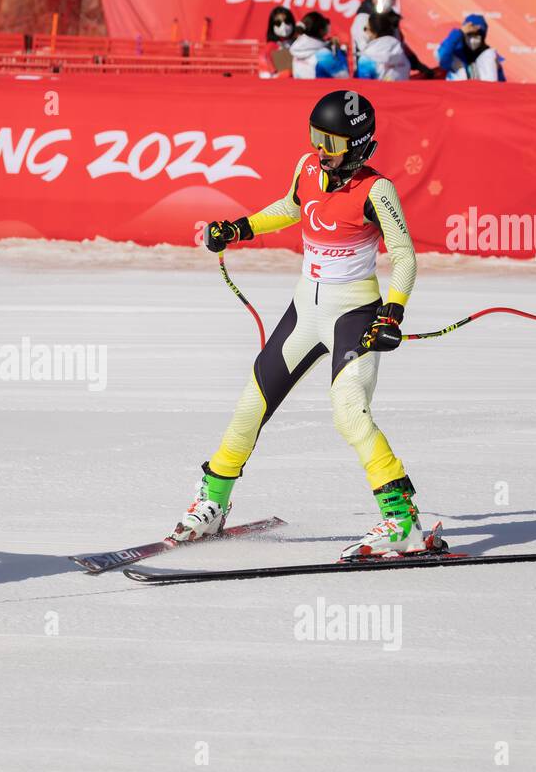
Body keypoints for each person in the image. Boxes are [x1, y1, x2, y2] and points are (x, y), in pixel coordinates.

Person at [182, 91, 428, 559]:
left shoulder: (377, 190)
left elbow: (404, 258)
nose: (320, 149)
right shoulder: (309, 169)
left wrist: (392, 312)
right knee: (249, 406)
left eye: (330, 141)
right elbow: (292, 206)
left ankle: (403, 521)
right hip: (304, 311)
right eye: (316, 137)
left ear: (357, 144)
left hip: (354, 315)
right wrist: (240, 228)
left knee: (349, 412)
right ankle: (212, 503)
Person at [351, 0, 433, 77]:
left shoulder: (391, 19)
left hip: (392, 74)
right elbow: (366, 50)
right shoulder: (363, 19)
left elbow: (399, 45)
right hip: (370, 73)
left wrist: (417, 65)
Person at [438, 14, 505, 81]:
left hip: (481, 90)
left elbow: (500, 85)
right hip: (457, 89)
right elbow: (443, 61)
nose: (473, 38)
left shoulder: (488, 55)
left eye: (478, 34)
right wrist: (459, 33)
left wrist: (498, 70)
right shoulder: (455, 53)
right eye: (469, 34)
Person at [290, 11, 349, 79]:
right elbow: (344, 76)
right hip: (320, 88)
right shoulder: (323, 54)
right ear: (321, 30)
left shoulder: (296, 48)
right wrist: (340, 53)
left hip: (299, 88)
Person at [355, 11, 410, 81]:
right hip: (401, 91)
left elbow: (365, 88)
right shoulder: (402, 55)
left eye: (366, 28)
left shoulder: (366, 58)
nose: (365, 32)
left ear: (373, 32)